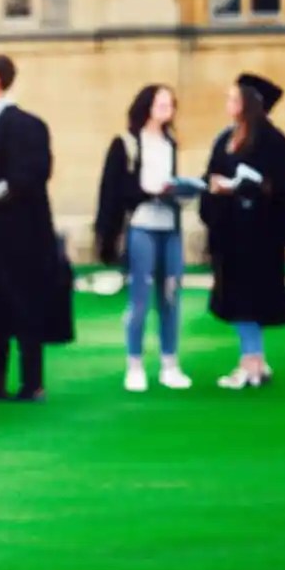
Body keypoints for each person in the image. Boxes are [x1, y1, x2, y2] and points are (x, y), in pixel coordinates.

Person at [200, 73, 285, 389]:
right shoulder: (225, 138)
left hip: (260, 236)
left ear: (249, 104)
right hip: (231, 234)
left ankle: (250, 364)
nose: (228, 104)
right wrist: (215, 188)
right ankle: (255, 360)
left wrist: (250, 188)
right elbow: (212, 174)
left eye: (234, 99)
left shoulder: (273, 141)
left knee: (250, 298)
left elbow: (284, 187)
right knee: (237, 296)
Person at [0, 54, 60, 402]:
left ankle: (31, 381)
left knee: (25, 304)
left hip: (22, 231)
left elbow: (31, 175)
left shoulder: (26, 124)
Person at [95, 84, 194, 393]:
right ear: (147, 106)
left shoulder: (170, 142)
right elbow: (114, 189)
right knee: (139, 297)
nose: (167, 109)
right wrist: (147, 193)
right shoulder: (127, 143)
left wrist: (180, 191)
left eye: (170, 105)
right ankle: (134, 363)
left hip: (170, 224)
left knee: (170, 293)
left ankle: (170, 363)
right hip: (140, 224)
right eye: (160, 103)